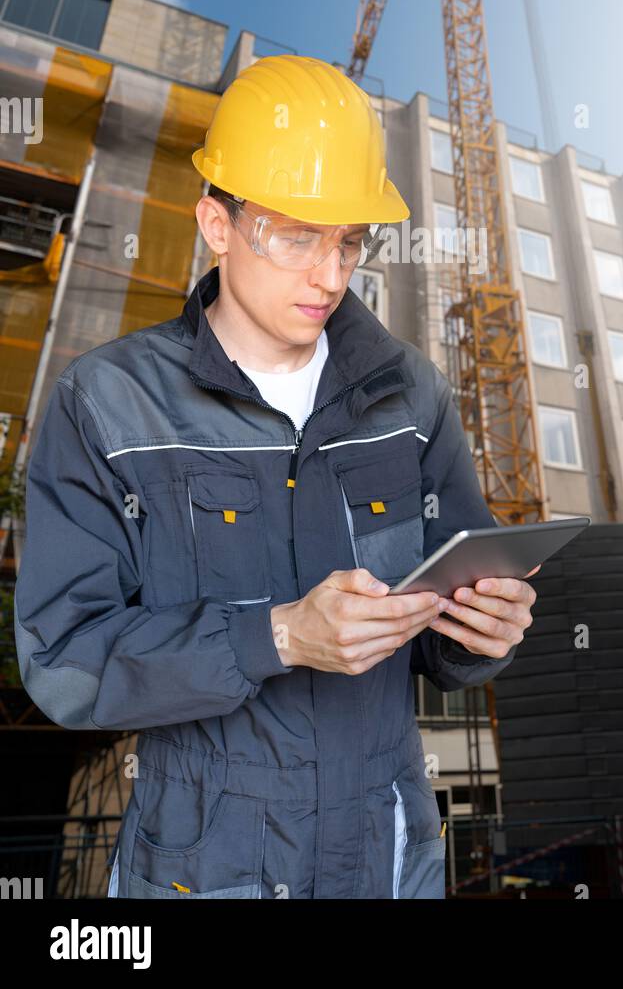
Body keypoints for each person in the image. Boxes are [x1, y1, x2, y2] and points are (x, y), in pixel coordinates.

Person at [14, 54, 537, 900]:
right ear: (216, 224)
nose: (330, 275)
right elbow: (65, 662)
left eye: (349, 242)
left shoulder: (411, 394)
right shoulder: (108, 405)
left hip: (386, 855)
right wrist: (279, 637)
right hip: (204, 864)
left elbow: (447, 638)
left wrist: (484, 633)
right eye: (297, 235)